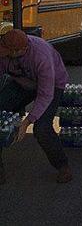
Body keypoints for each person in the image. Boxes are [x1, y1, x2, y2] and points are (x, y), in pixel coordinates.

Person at [0, 29, 72, 184]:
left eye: (7, 52)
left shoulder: (41, 55)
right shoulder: (4, 51)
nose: (3, 54)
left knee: (42, 128)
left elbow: (45, 94)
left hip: (52, 85)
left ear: (21, 50)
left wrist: (27, 122)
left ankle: (62, 166)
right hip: (22, 83)